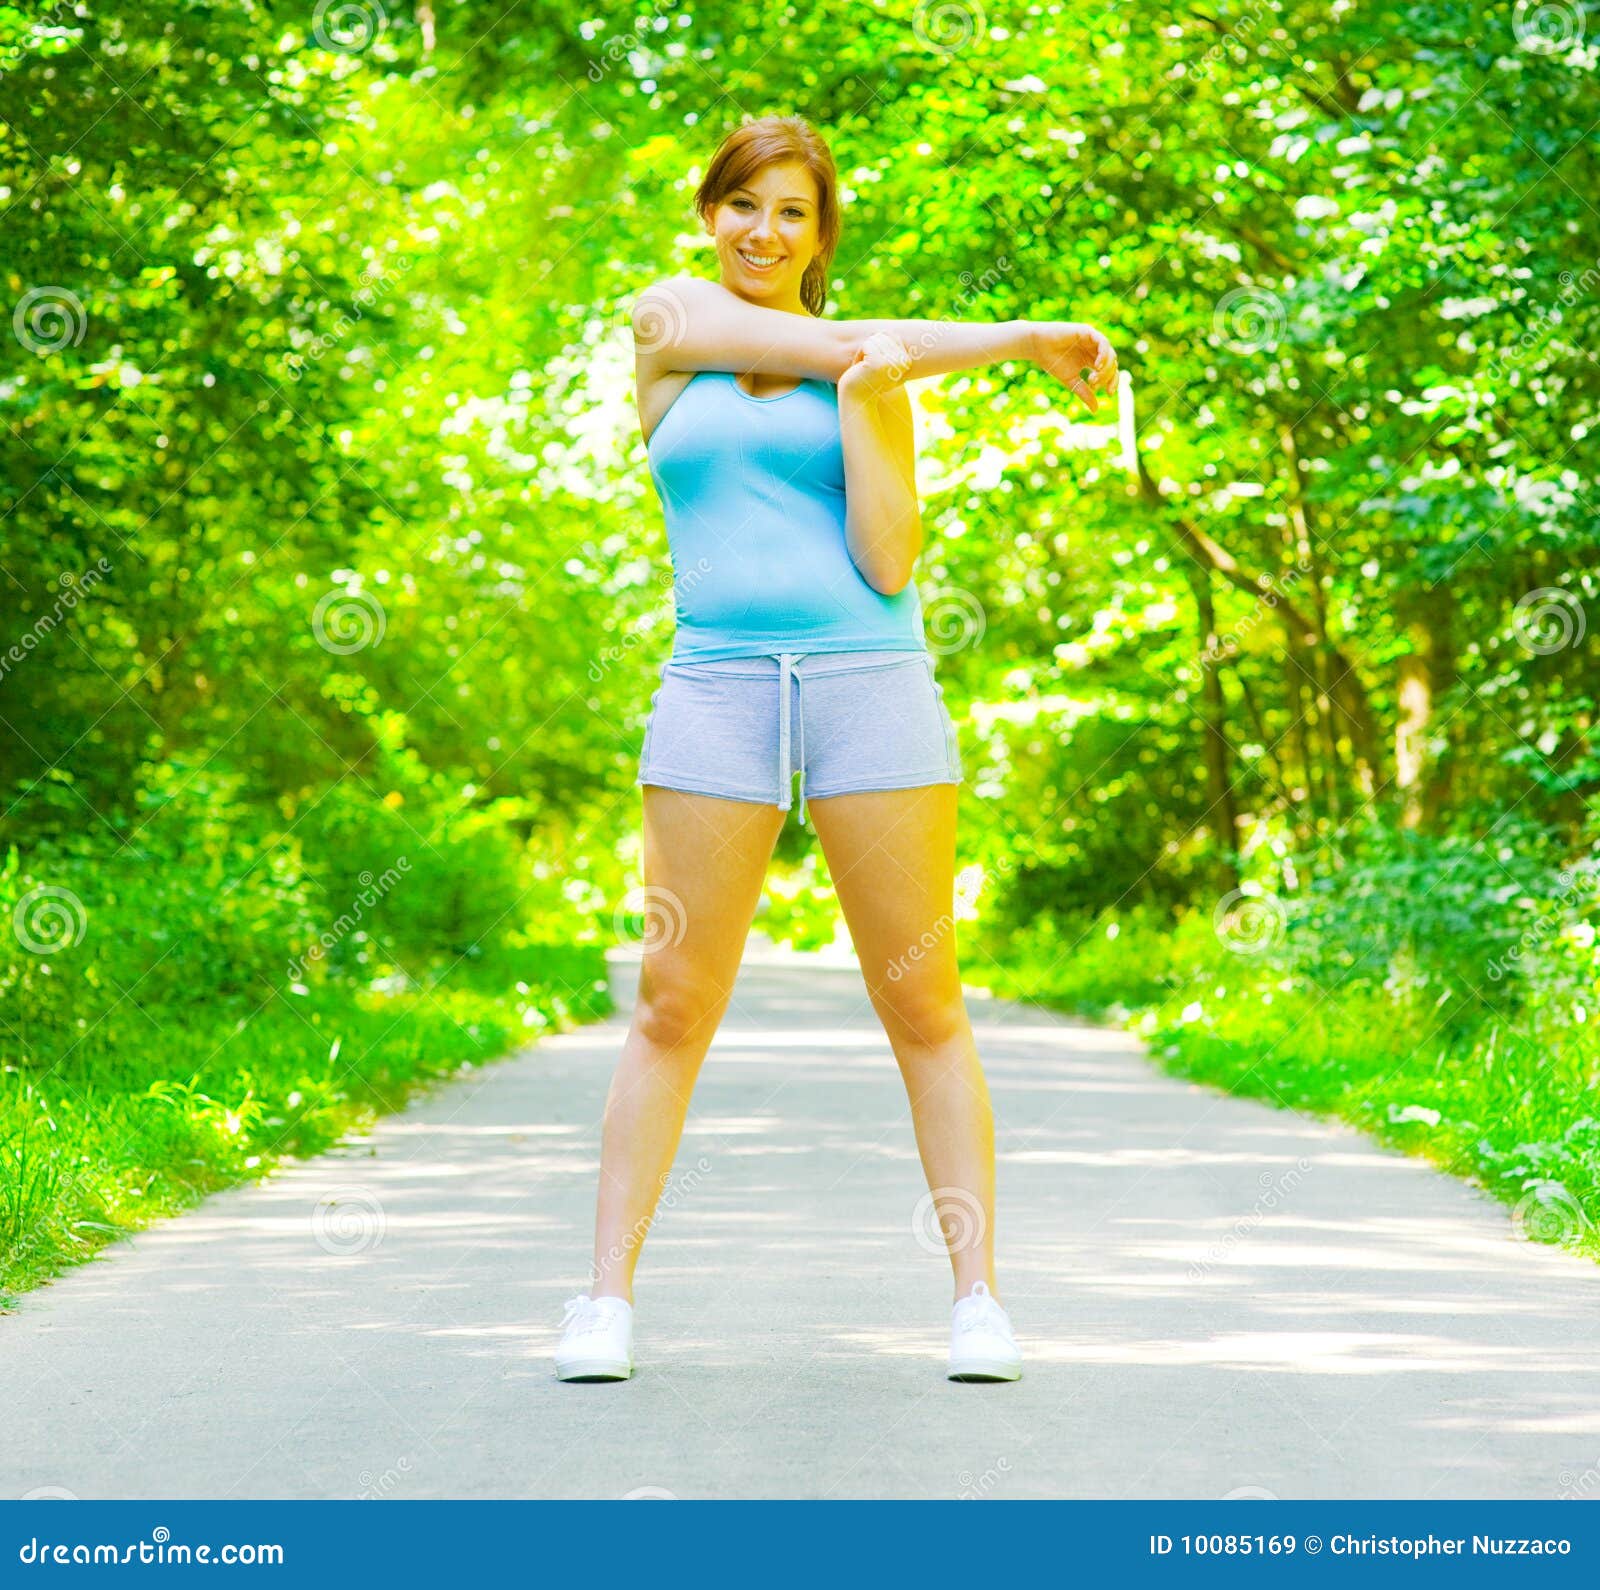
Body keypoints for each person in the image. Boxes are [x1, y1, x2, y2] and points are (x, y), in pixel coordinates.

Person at [556, 114, 1117, 1385]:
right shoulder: (667, 325)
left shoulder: (867, 370)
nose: (764, 231)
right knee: (671, 1006)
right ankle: (602, 1301)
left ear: (821, 232)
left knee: (922, 1003)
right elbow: (817, 342)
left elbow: (885, 562)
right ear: (710, 214)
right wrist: (1017, 341)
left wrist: (874, 399)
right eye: (743, 204)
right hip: (715, 686)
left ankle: (977, 1300)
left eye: (792, 212)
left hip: (871, 685)